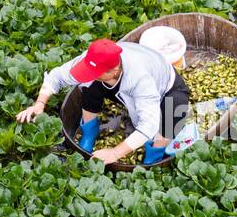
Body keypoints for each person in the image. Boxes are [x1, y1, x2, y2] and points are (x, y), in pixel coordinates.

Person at [15, 38, 191, 166]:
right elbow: (56, 77)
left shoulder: (140, 79)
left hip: (168, 88)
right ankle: (89, 130)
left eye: (95, 72)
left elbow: (149, 125)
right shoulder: (91, 59)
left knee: (171, 118)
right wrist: (39, 104)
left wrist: (115, 152)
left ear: (114, 71)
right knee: (89, 84)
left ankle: (155, 154)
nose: (88, 73)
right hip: (120, 85)